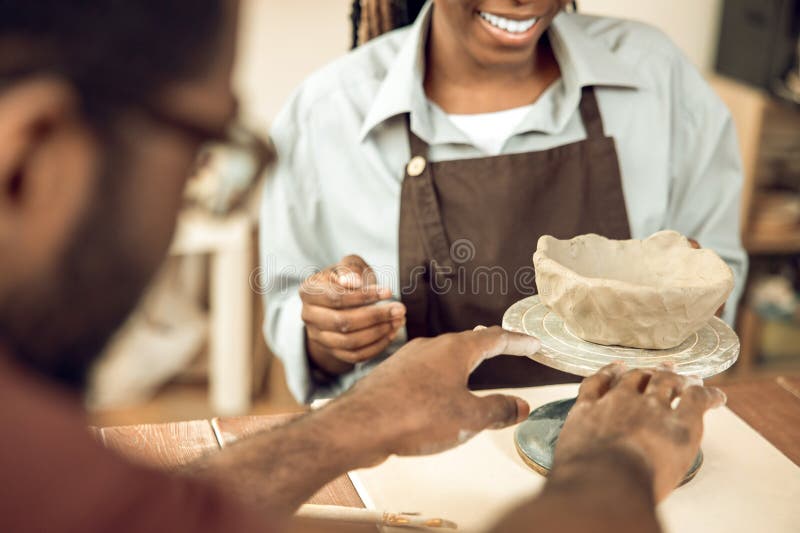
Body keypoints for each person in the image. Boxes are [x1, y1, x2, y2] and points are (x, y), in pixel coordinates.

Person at [0, 1, 727, 532]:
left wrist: (358, 421)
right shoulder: (329, 109)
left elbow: (166, 516)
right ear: (28, 158)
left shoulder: (657, 79)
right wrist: (614, 463)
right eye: (203, 149)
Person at [261, 0, 749, 403]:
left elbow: (720, 271)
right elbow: (291, 311)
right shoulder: (327, 114)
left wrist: (694, 294)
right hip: (414, 464)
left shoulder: (657, 77)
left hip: (628, 451)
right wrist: (331, 334)